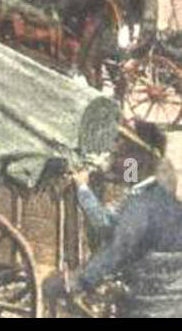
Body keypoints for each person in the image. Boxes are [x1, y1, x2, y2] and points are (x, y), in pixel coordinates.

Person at [58, 136, 182, 317]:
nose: (114, 161)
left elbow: (112, 236)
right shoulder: (159, 192)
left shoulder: (141, 204)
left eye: (119, 156)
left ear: (136, 161)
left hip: (150, 299)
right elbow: (128, 186)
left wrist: (81, 280)